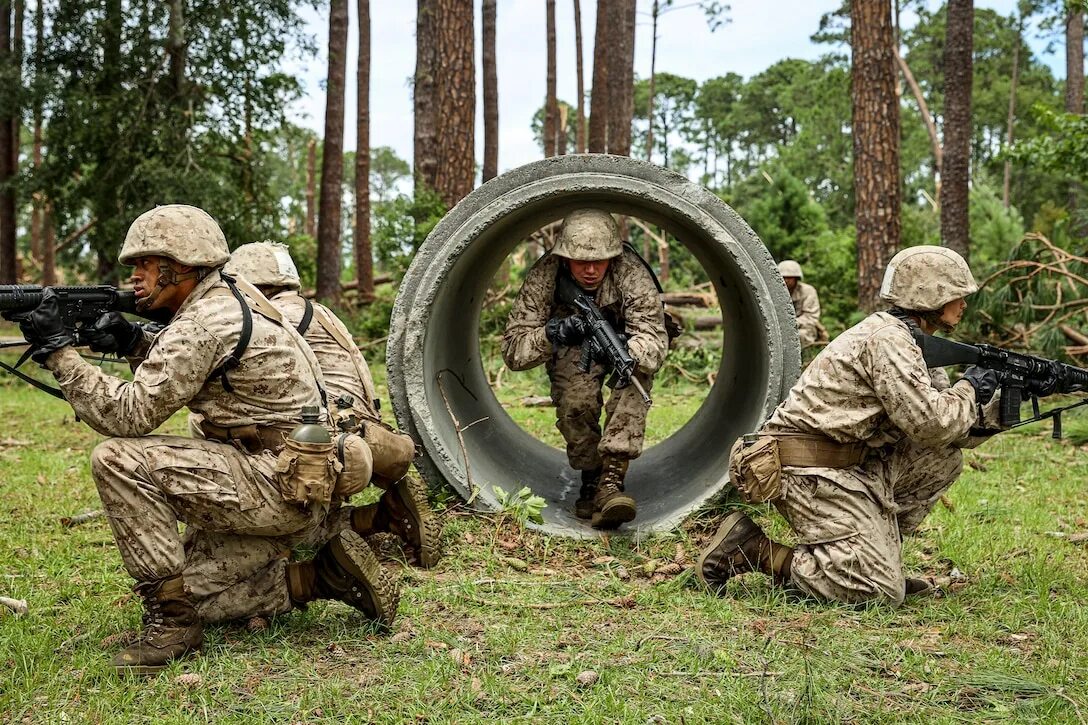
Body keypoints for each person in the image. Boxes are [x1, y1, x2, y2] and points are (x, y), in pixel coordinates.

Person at [7, 205, 397, 675]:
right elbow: (210, 372)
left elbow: (128, 414)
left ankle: (173, 627)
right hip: (296, 482)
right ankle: (321, 576)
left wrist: (60, 353)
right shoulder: (235, 296)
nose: (134, 276)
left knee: (117, 459)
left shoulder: (204, 321)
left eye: (145, 264)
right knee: (192, 594)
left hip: (273, 486)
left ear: (181, 266)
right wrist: (134, 342)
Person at [698, 246, 1001, 606]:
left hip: (848, 463)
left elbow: (948, 430)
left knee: (942, 460)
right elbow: (931, 423)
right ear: (931, 296)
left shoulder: (912, 342)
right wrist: (970, 387)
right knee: (881, 592)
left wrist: (998, 407)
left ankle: (869, 558)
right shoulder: (888, 340)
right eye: (956, 295)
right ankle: (754, 549)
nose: (963, 304)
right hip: (809, 468)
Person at [224, 241, 440, 567]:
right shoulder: (317, 311)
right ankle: (390, 513)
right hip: (371, 435)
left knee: (223, 427)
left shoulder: (273, 317)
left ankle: (280, 538)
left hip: (337, 443)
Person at [502, 209, 668, 528]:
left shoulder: (631, 272)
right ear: (565, 258)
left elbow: (653, 338)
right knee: (576, 402)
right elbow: (514, 350)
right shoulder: (546, 276)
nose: (591, 270)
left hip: (625, 343)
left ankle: (611, 481)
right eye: (581, 262)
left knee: (635, 378)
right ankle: (591, 477)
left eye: (599, 262)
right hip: (572, 345)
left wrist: (629, 350)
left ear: (612, 257)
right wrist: (554, 332)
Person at [778, 259, 827, 347]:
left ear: (796, 278)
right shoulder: (774, 294)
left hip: (803, 328)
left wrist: (789, 324)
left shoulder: (808, 291)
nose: (786, 280)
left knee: (798, 336)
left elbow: (810, 317)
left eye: (789, 277)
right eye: (783, 277)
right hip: (779, 328)